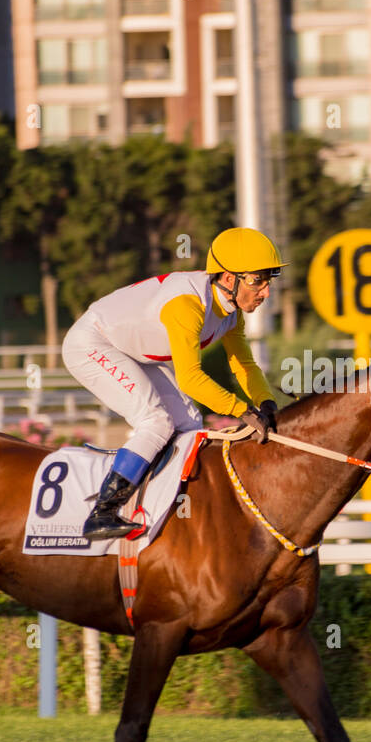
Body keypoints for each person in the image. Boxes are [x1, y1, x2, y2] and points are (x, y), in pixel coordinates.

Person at [61, 227, 287, 540]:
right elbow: (191, 379)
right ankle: (103, 512)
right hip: (92, 343)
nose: (265, 292)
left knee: (189, 423)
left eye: (268, 281)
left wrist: (266, 402)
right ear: (228, 278)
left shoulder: (231, 313)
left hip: (133, 352)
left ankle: (169, 505)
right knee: (155, 421)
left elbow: (244, 365)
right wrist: (242, 411)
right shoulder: (187, 304)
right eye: (257, 280)